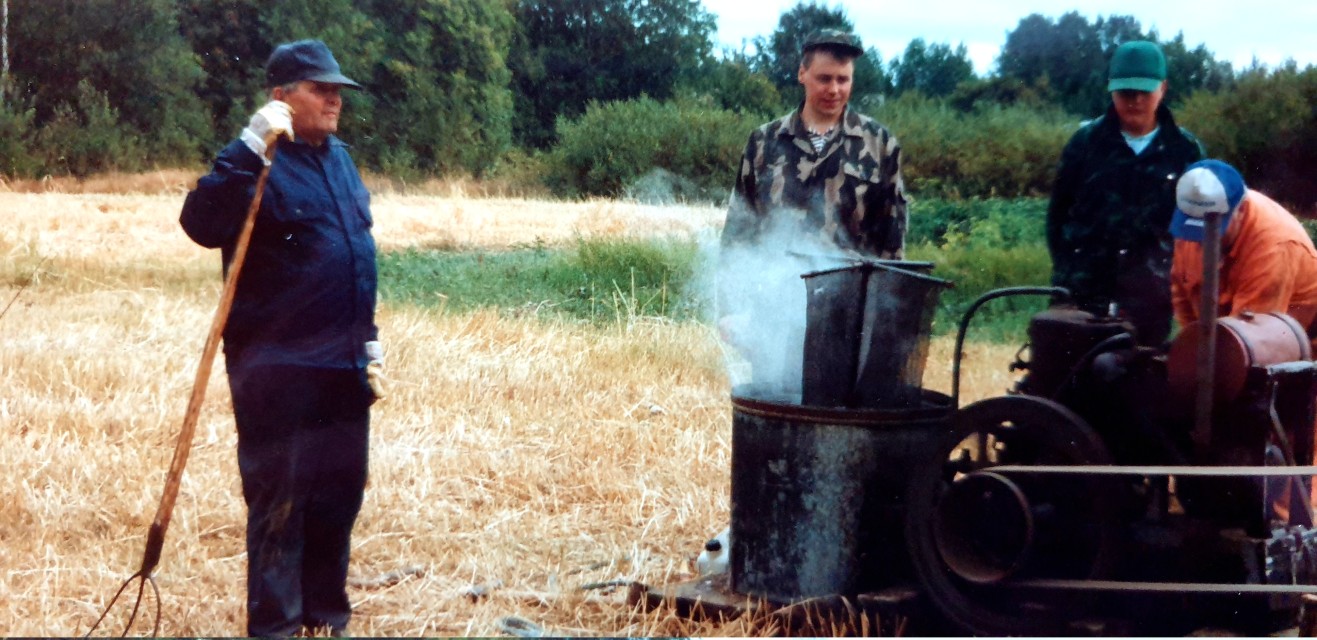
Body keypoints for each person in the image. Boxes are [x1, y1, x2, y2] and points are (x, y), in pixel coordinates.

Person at [179, 39, 383, 637]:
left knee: (339, 496)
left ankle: (325, 620)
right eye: (320, 89)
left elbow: (357, 255)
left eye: (337, 90)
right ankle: (275, 628)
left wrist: (368, 341)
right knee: (280, 504)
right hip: (277, 367)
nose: (334, 100)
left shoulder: (340, 160)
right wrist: (248, 143)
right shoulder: (258, 159)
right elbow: (201, 224)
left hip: (344, 362)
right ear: (281, 96)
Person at [717, 29, 907, 390]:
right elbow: (739, 231)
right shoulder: (764, 142)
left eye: (843, 80)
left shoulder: (879, 145)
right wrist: (731, 309)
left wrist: (887, 322)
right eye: (824, 78)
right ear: (802, 74)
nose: (834, 89)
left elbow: (892, 244)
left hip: (848, 317)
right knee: (776, 411)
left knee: (836, 416)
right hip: (772, 312)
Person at [1047, 40, 1206, 346]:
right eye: (1125, 92)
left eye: (1144, 92)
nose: (1135, 100)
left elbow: (1195, 230)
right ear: (1111, 90)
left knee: (1141, 371)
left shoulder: (1185, 151)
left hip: (1151, 299)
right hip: (1082, 295)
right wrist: (1068, 272)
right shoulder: (1085, 144)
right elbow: (1057, 217)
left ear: (1163, 88)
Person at [1169, 158, 1317, 349]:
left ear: (1241, 209)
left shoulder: (1273, 247)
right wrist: (1191, 346)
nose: (1200, 238)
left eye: (1212, 227)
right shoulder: (1191, 225)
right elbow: (1182, 294)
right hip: (1233, 338)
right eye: (1194, 226)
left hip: (1292, 345)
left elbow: (1250, 339)